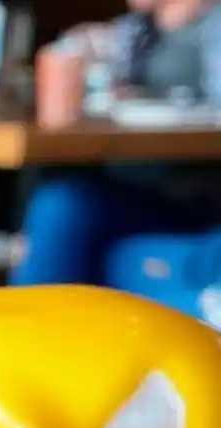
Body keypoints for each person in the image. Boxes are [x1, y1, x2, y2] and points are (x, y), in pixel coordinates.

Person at [11, 0, 221, 286]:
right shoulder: (138, 28)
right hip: (136, 183)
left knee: (64, 205)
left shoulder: (212, 23)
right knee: (58, 195)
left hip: (194, 194)